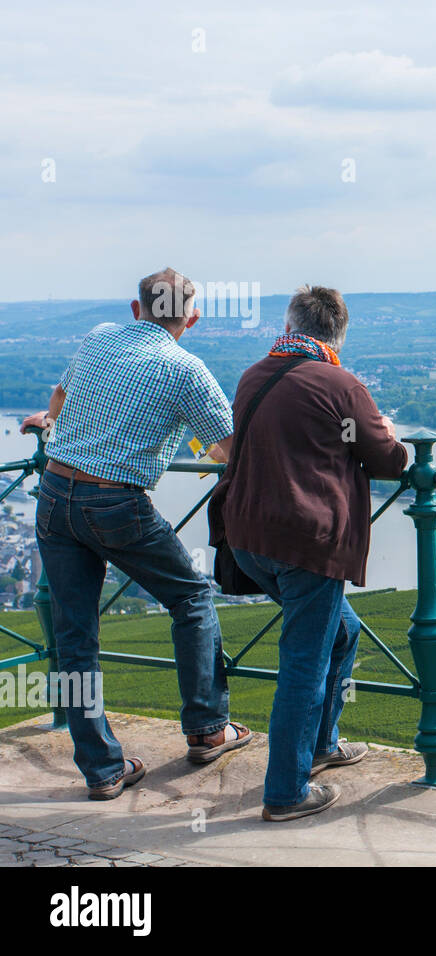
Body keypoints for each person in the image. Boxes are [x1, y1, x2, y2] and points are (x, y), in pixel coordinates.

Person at [25, 268, 253, 800]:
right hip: (116, 503)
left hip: (56, 495)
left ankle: (103, 770)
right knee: (192, 597)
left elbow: (60, 396)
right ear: (190, 319)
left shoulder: (99, 336)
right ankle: (206, 729)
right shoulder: (187, 369)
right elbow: (229, 450)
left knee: (74, 637)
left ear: (137, 309)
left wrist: (49, 422)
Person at [214, 285, 407, 822]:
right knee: (304, 662)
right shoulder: (343, 386)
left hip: (249, 538)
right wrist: (392, 435)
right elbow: (389, 462)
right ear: (338, 334)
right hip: (306, 544)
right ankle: (285, 791)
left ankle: (321, 745)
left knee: (343, 632)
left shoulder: (255, 374)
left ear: (290, 324)